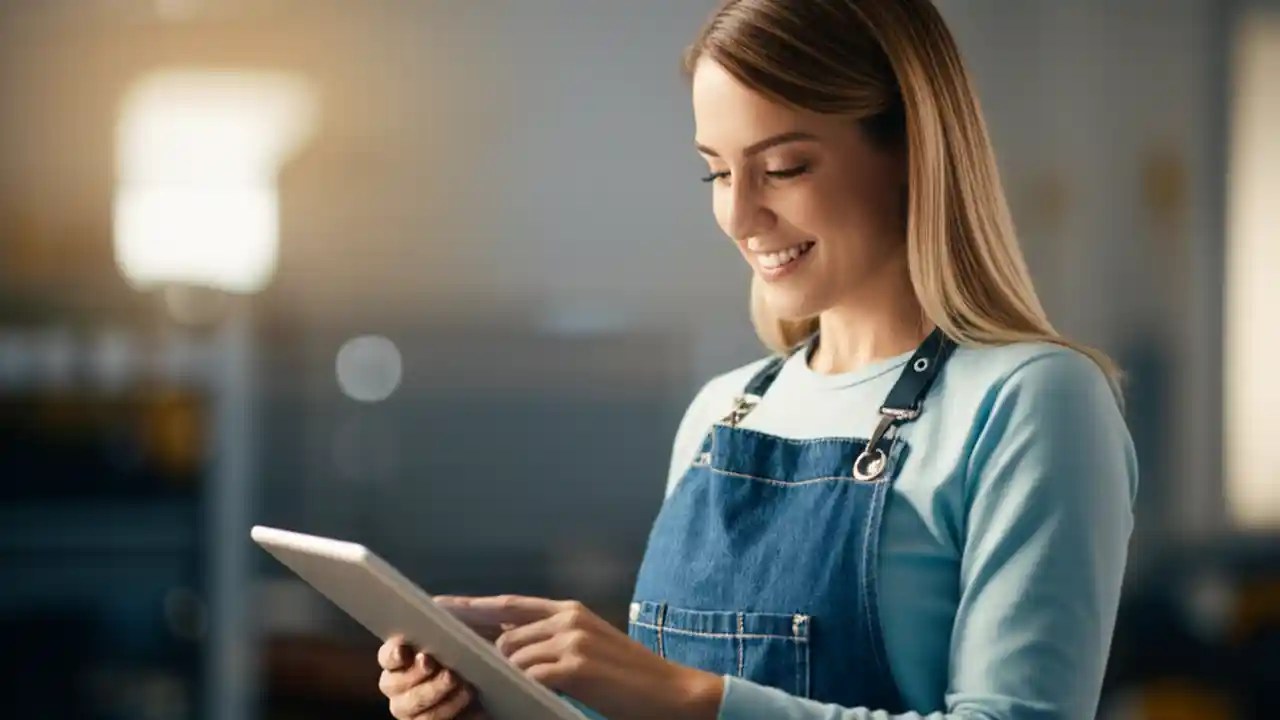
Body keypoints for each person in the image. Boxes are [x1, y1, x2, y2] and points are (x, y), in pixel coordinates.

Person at [375, 0, 1139, 718]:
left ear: (911, 151)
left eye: (783, 168)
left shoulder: (1035, 400)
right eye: (716, 171)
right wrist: (504, 701)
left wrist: (686, 694)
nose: (738, 214)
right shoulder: (724, 410)